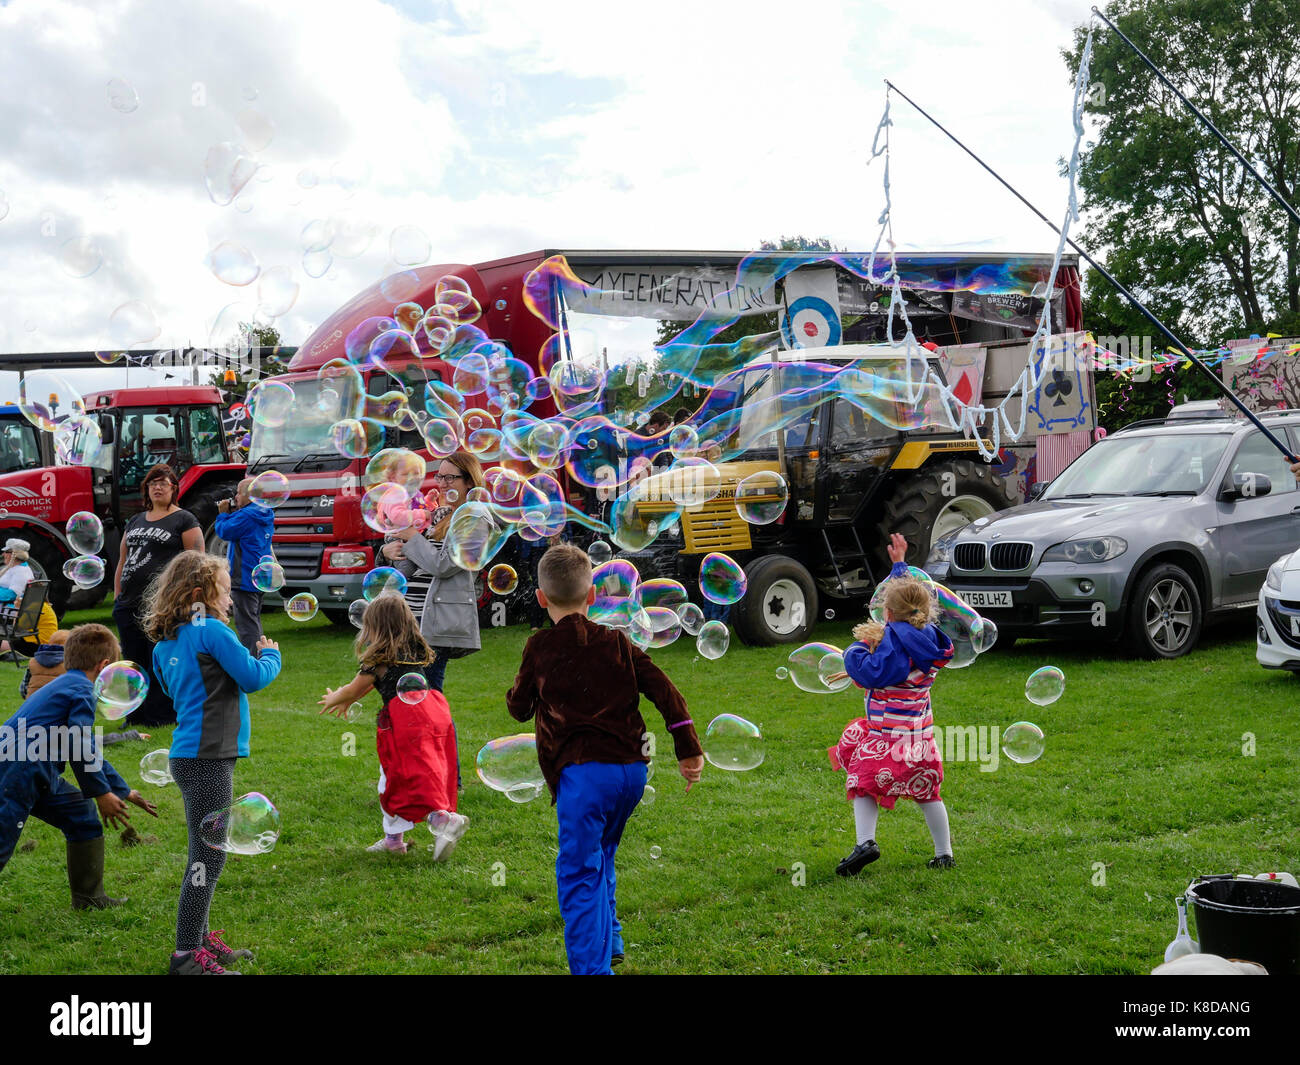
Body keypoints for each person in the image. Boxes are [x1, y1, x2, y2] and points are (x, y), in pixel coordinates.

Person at [506, 543, 704, 975]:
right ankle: (610, 936)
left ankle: (592, 970)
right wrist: (687, 748)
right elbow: (666, 692)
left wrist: (527, 693)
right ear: (591, 595)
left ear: (541, 598)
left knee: (578, 874)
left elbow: (518, 708)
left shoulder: (540, 647)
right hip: (631, 774)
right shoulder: (617, 641)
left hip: (582, 777)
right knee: (603, 852)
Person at [144, 550, 281, 975]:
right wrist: (271, 654)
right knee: (207, 857)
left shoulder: (166, 642)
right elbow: (253, 677)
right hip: (208, 757)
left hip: (189, 755)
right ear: (201, 593)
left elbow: (170, 690)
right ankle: (187, 955)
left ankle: (202, 941)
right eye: (224, 592)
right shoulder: (215, 632)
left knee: (208, 850)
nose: (229, 601)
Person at [0, 623, 158, 908]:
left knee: (81, 815)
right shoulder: (83, 690)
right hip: (18, 770)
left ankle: (89, 898)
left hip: (35, 769)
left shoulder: (67, 683)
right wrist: (101, 794)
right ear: (105, 665)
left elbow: (88, 748)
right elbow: (80, 745)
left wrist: (122, 791)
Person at [830, 533, 956, 876]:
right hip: (920, 741)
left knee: (862, 784)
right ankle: (944, 853)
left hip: (887, 740)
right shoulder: (928, 636)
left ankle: (865, 843)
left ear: (887, 613)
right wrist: (899, 565)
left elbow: (869, 673)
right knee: (929, 794)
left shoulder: (889, 650)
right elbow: (909, 598)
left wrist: (854, 650)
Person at [318, 594, 466, 857]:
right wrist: (349, 698)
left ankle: (441, 820)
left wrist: (335, 697)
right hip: (432, 715)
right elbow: (369, 687)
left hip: (404, 725)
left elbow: (354, 689)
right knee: (421, 773)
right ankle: (396, 839)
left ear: (376, 627)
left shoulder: (379, 659)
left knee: (396, 781)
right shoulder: (412, 651)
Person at [382, 451, 484, 694]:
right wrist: (390, 550)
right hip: (411, 618)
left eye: (450, 478)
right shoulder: (441, 515)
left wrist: (414, 538)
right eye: (439, 477)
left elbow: (444, 565)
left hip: (435, 623)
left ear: (470, 481)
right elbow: (413, 567)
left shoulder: (475, 519)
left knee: (427, 697)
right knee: (407, 694)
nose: (441, 484)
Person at [112, 464, 204, 727]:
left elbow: (196, 562)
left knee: (159, 660)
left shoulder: (184, 519)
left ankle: (161, 715)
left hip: (162, 605)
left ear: (174, 488)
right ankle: (135, 715)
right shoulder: (136, 520)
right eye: (153, 483)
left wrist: (188, 599)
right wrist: (118, 595)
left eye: (163, 483)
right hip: (128, 604)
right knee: (132, 662)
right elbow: (123, 560)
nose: (157, 487)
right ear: (146, 489)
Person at [214, 477, 275, 655]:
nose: (235, 496)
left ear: (250, 495)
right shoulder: (263, 512)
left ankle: (253, 660)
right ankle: (260, 654)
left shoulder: (245, 516)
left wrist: (223, 513)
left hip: (244, 577)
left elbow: (224, 531)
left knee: (246, 623)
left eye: (239, 492)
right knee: (253, 619)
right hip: (260, 576)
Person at [0, 538, 34, 605]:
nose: (3, 554)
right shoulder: (13, 568)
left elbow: (12, 595)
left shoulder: (21, 571)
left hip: (6, 609)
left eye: (6, 552)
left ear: (15, 555)